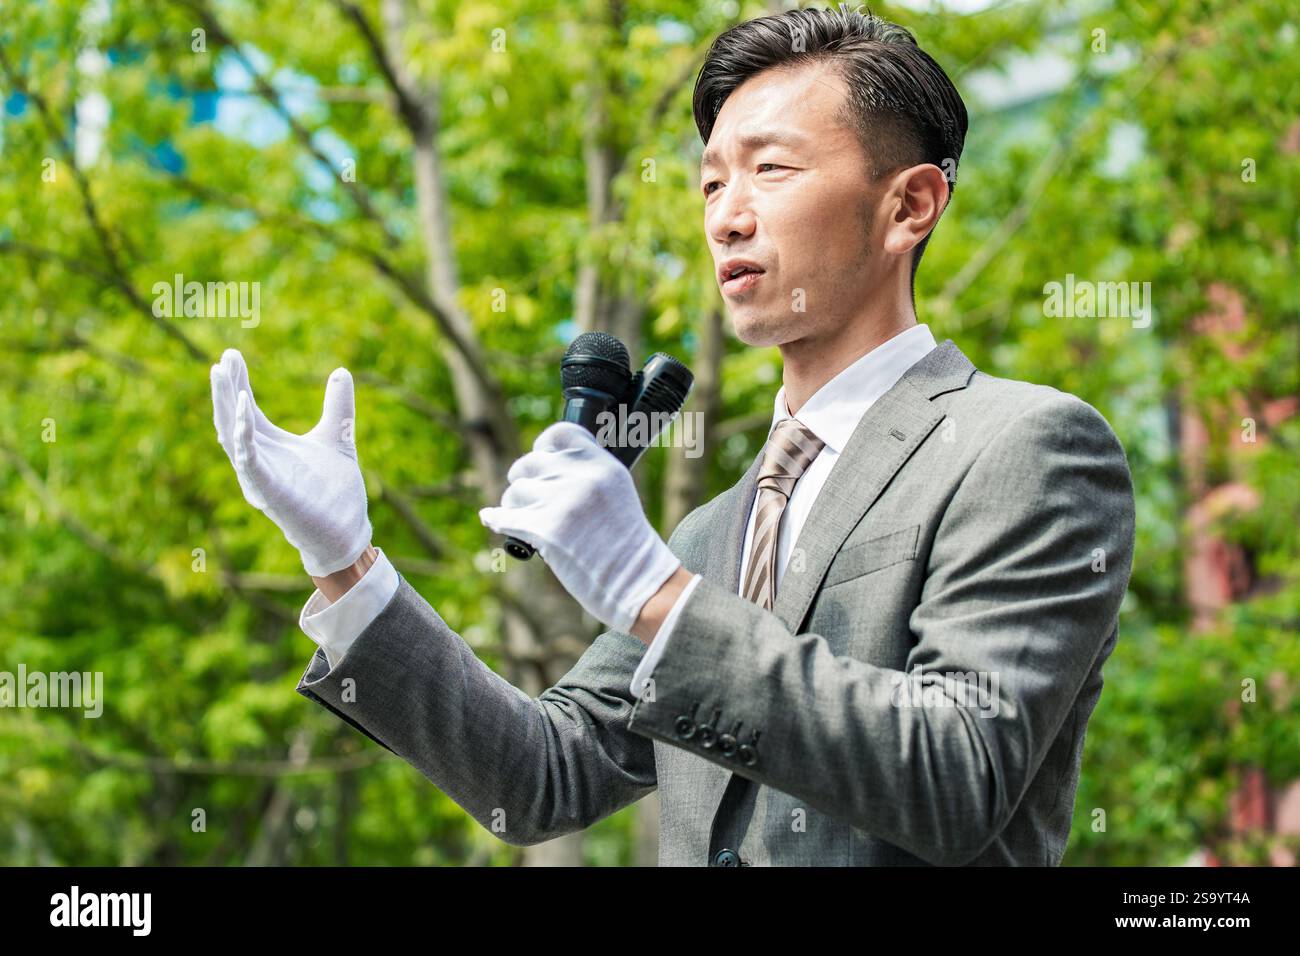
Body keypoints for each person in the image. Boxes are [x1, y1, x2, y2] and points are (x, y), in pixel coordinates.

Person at [209, 7, 1135, 866]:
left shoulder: (1025, 447)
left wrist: (656, 594)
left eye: (771, 169)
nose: (727, 213)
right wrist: (346, 564)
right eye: (711, 180)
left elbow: (958, 775)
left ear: (909, 207)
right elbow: (537, 777)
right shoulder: (713, 534)